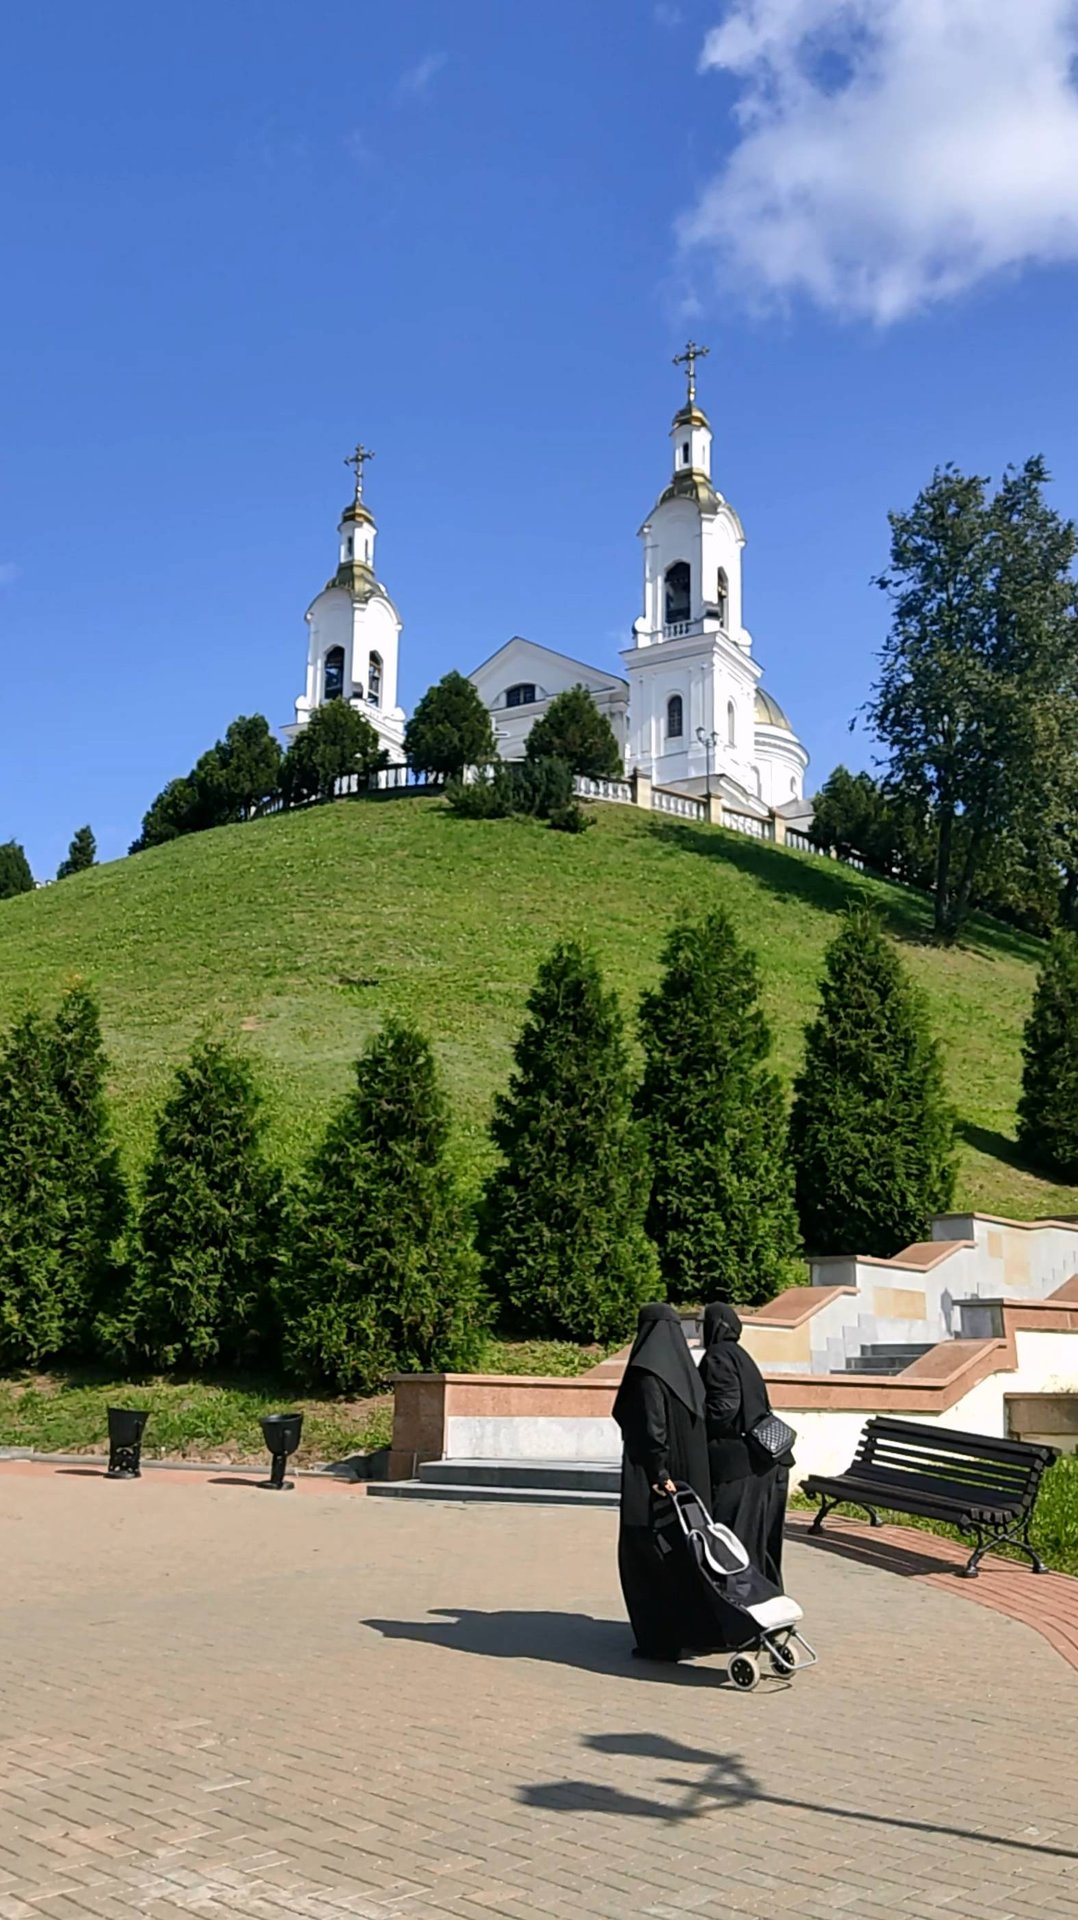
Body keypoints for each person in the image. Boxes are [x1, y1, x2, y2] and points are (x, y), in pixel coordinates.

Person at [612, 1302, 711, 1661]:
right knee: (684, 1557)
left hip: (652, 1483)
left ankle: (658, 1641)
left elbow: (653, 1430)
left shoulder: (646, 1373)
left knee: (646, 1560)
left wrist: (658, 1472)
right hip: (689, 1485)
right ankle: (692, 1631)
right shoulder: (687, 1373)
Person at [699, 1301, 792, 1589]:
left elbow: (725, 1406)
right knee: (760, 1542)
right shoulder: (742, 1356)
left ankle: (741, 1609)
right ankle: (766, 1602)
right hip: (767, 1461)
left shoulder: (717, 1357)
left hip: (739, 1467)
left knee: (734, 1543)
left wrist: (696, 1425)